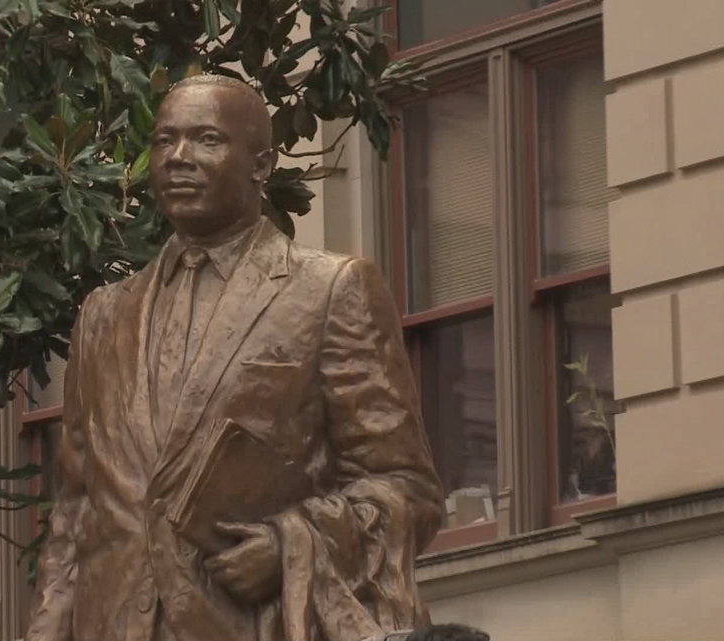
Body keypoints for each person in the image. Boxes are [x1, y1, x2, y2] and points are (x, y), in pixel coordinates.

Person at [25, 74, 443, 641]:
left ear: (261, 165)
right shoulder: (102, 317)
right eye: (164, 141)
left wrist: (292, 545)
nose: (178, 157)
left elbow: (406, 490)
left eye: (206, 140)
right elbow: (74, 515)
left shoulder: (331, 291)